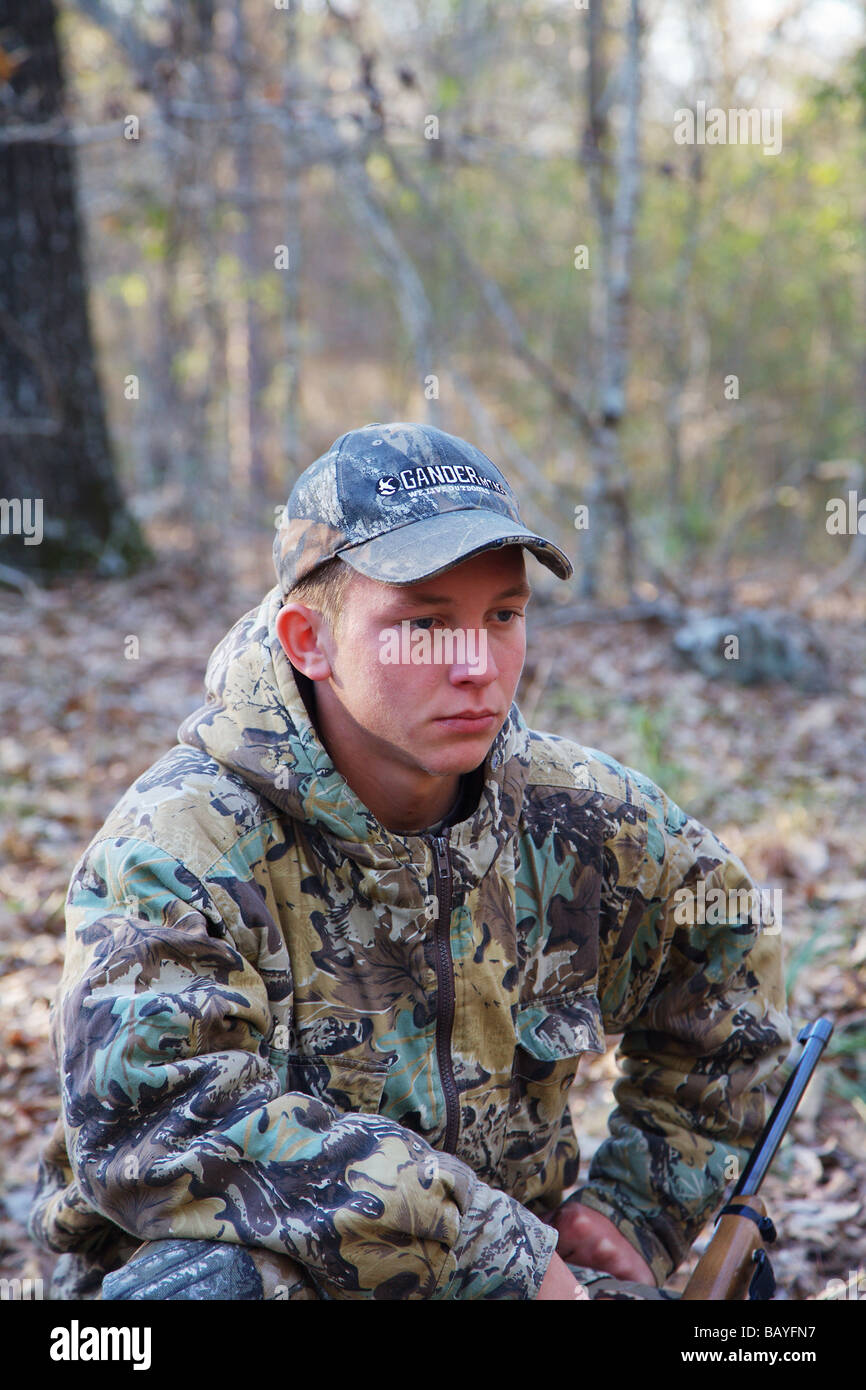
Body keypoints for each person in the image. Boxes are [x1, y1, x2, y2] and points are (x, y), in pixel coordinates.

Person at [29, 422, 791, 1301]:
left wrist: (638, 1212)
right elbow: (158, 1128)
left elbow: (732, 956)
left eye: (503, 616)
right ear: (308, 640)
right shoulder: (178, 848)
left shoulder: (582, 818)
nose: (476, 666)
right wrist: (489, 1245)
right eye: (425, 625)